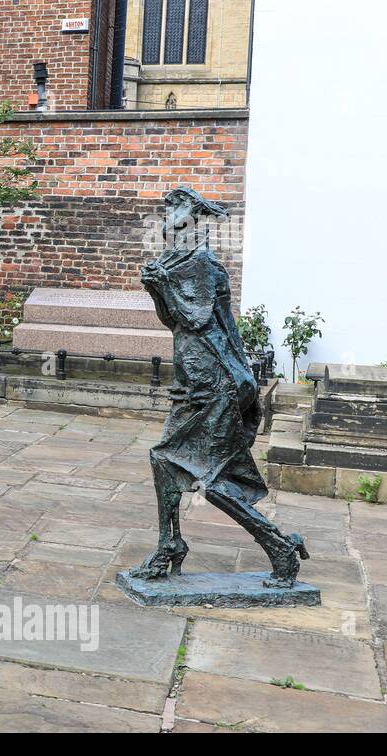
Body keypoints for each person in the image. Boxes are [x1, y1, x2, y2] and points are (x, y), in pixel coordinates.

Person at [132, 187, 308, 588]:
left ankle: (280, 548)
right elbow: (172, 320)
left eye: (175, 222)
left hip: (218, 382)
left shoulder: (204, 264)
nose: (167, 229)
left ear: (192, 226)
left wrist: (163, 286)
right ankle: (170, 544)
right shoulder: (179, 262)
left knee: (212, 481)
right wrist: (156, 288)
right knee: (164, 462)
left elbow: (194, 318)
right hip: (192, 382)